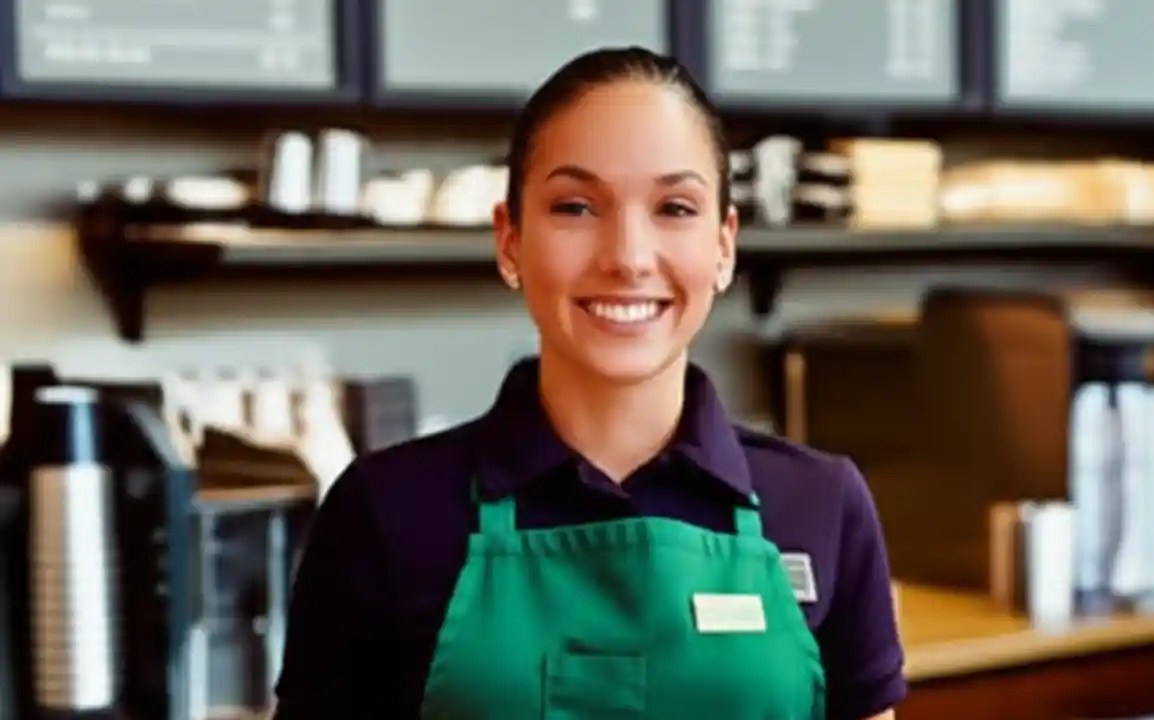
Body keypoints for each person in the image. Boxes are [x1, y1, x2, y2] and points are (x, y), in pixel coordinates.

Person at [273, 46, 906, 720]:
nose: (628, 257)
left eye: (676, 207)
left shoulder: (822, 505)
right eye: (576, 206)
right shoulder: (384, 513)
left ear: (724, 246)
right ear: (510, 240)